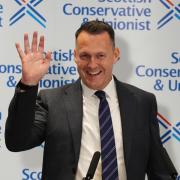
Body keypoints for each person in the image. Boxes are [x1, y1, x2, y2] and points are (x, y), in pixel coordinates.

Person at [5, 20, 177, 180]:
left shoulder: (142, 102)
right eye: (85, 56)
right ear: (75, 56)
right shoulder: (52, 100)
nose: (92, 65)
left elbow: (158, 168)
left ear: (115, 54)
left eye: (100, 56)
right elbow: (16, 142)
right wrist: (28, 84)